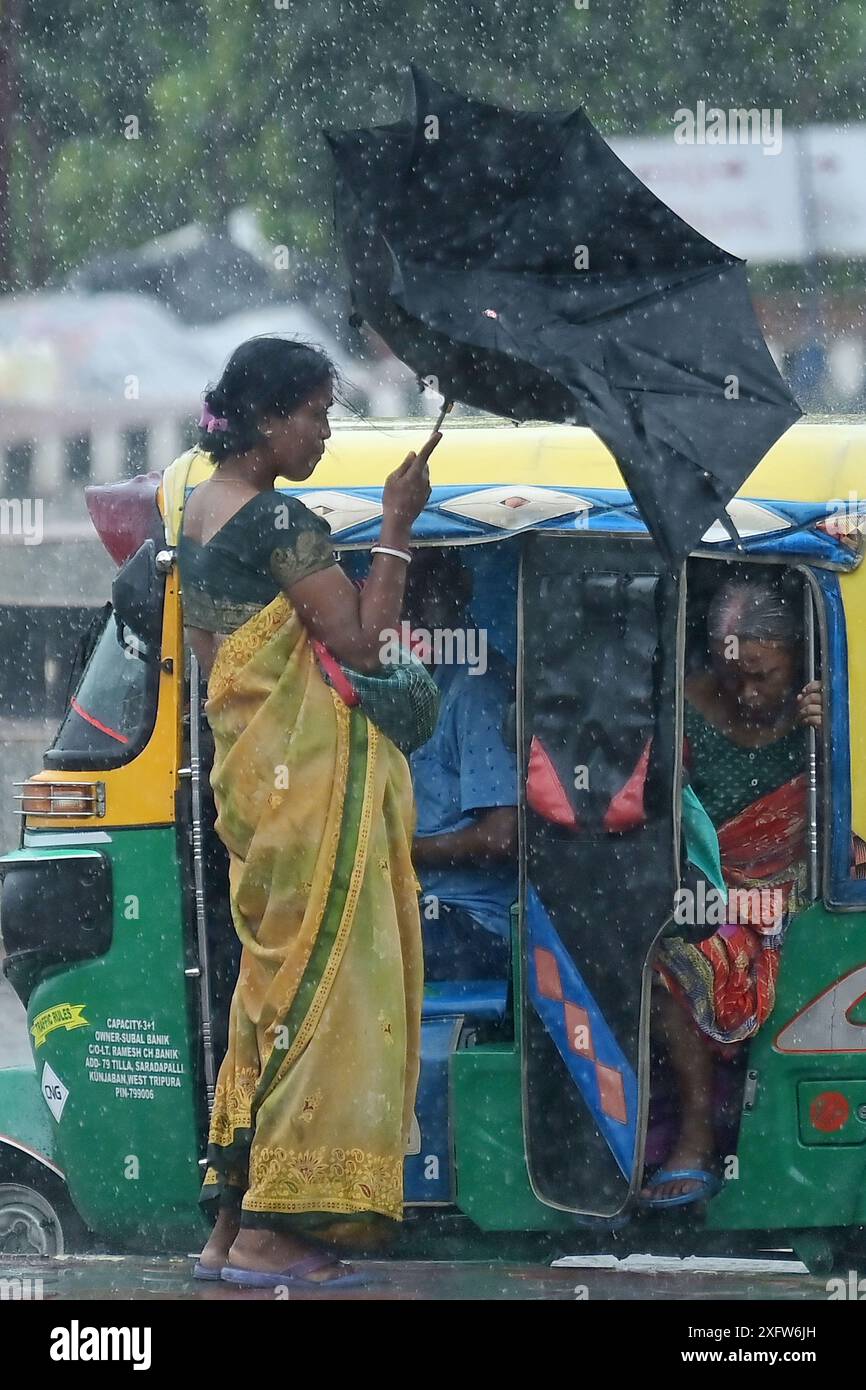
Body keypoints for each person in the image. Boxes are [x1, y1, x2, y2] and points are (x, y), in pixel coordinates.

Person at [173, 335, 441, 1285]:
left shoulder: (200, 507)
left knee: (272, 997)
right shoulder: (278, 521)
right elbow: (365, 644)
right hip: (308, 792)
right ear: (265, 418)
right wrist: (397, 523)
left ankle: (228, 1225)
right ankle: (266, 1235)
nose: (326, 432)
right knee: (328, 995)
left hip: (258, 791)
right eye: (317, 414)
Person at [643, 572, 822, 1207]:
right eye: (733, 675)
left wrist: (830, 735)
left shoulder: (824, 706)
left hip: (801, 884)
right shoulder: (685, 708)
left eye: (763, 675)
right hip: (711, 886)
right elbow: (665, 817)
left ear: (797, 654)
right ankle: (696, 1137)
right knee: (672, 956)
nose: (747, 692)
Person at [404, 550, 518, 981]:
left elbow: (502, 836)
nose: (410, 604)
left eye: (422, 588)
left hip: (472, 924)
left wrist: (401, 851)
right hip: (426, 908)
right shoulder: (416, 683)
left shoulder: (475, 690)